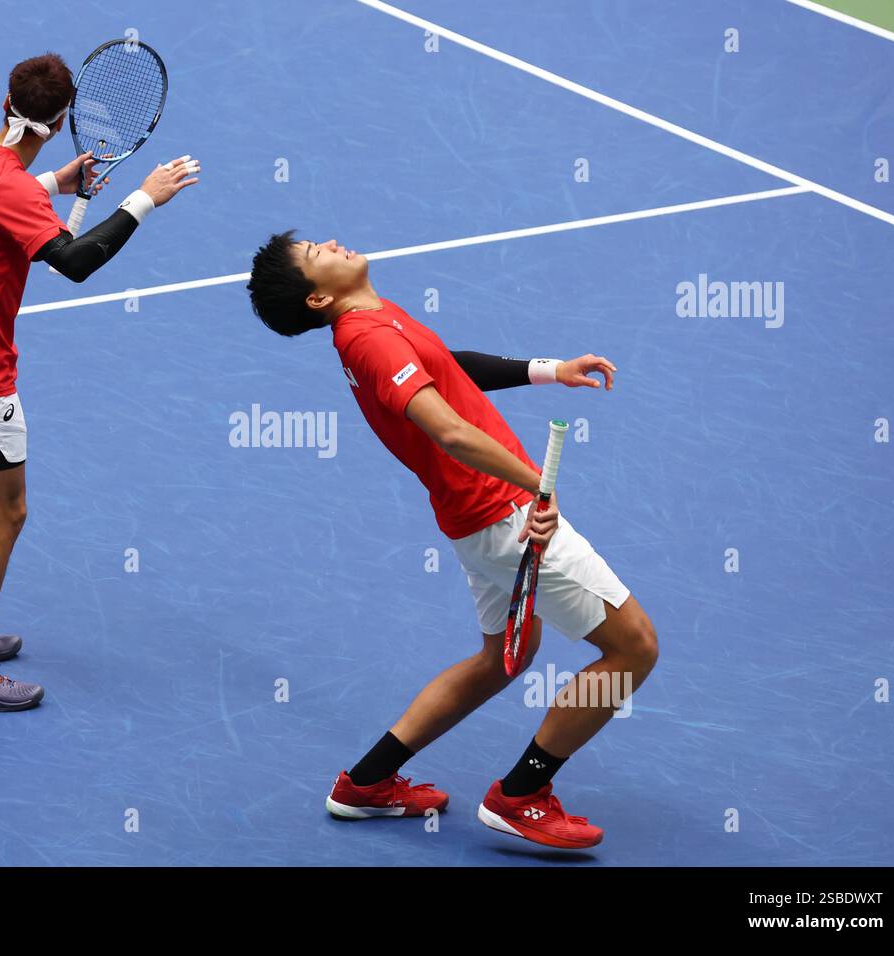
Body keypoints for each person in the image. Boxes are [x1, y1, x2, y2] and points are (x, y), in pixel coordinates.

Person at [246, 233, 657, 848]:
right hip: (505, 514)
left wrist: (549, 371)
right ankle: (522, 795)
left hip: (475, 519)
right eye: (315, 254)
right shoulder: (371, 339)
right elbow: (450, 432)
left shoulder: (371, 319)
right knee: (633, 649)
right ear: (318, 297)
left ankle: (366, 783)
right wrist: (536, 488)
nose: (330, 243)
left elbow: (446, 366)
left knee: (503, 659)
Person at [0, 52, 199, 711]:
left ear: (7, 102)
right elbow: (72, 263)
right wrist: (144, 200)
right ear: (63, 117)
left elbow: (0, 197)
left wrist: (56, 183)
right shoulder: (11, 188)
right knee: (8, 510)